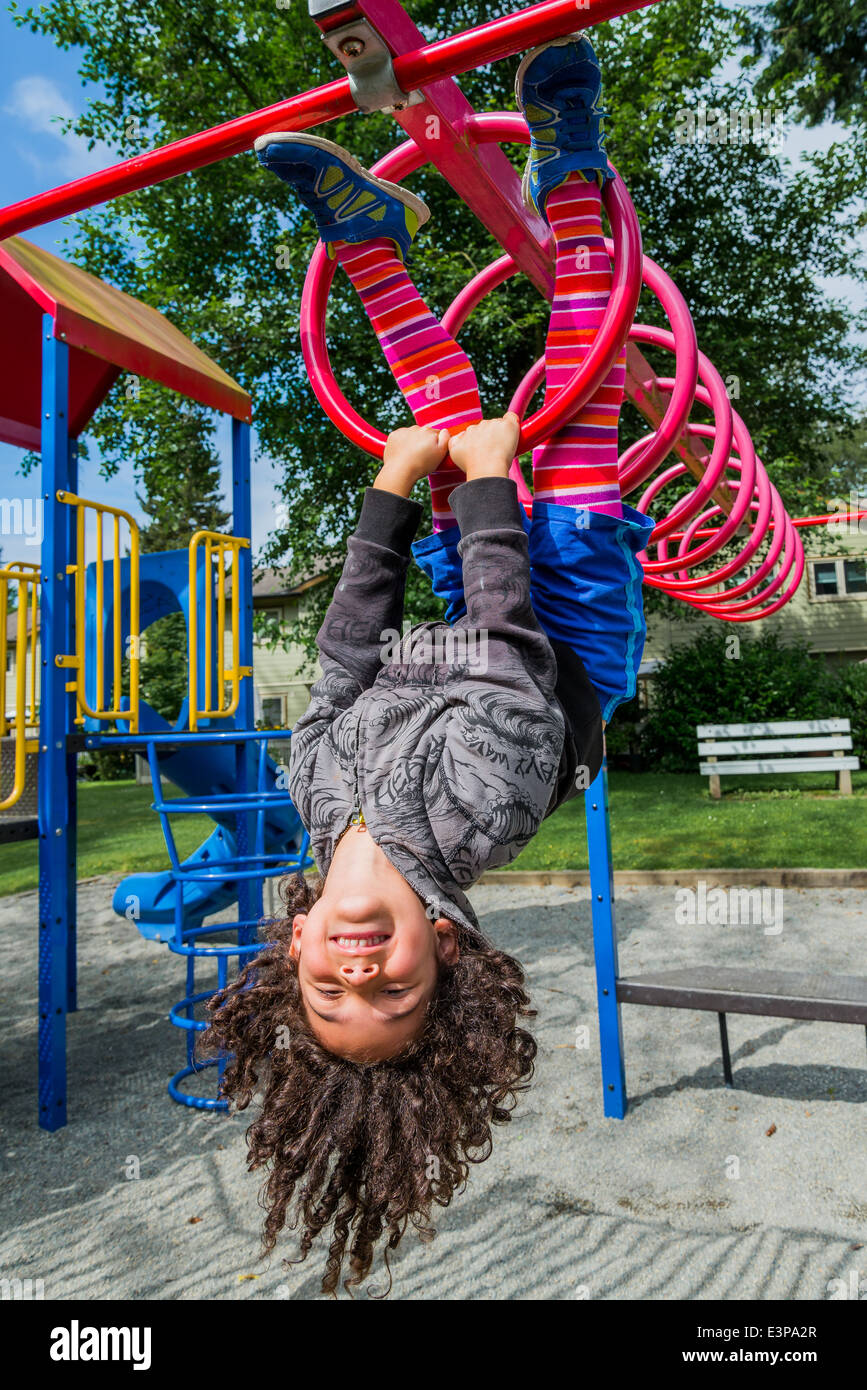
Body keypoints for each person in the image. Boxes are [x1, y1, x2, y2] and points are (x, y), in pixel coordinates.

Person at [205, 33, 655, 1297]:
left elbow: (345, 650)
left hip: (455, 629)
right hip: (558, 626)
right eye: (390, 994)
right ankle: (575, 155)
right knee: (567, 397)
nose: (359, 971)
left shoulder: (311, 800)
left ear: (291, 948)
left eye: (330, 995)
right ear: (447, 951)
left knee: (434, 424)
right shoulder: (478, 817)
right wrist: (493, 491)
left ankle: (373, 243)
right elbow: (512, 647)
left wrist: (395, 495)